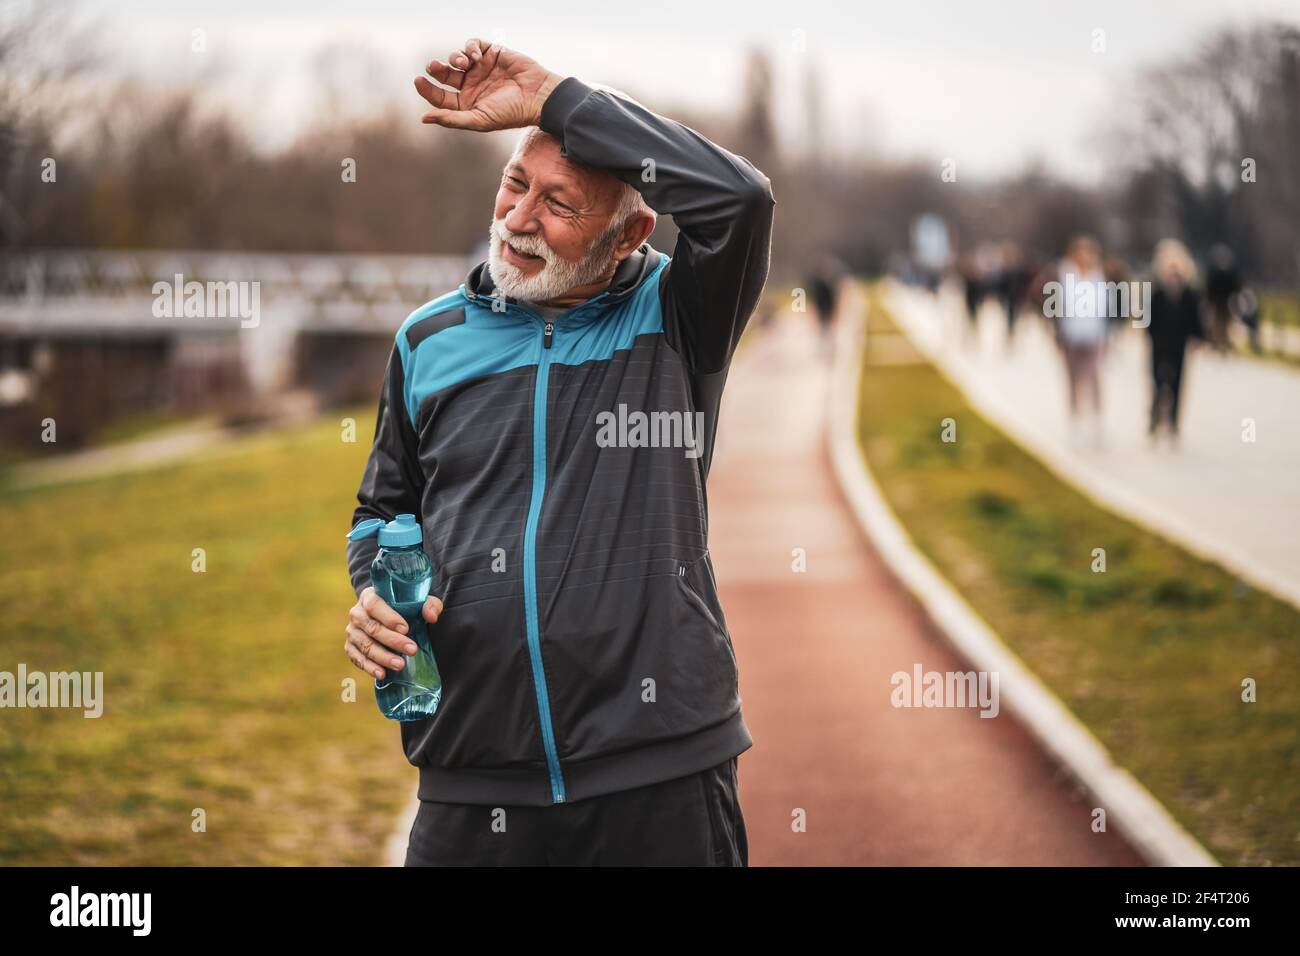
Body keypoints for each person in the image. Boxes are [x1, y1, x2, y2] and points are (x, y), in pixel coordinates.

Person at [343, 38, 773, 866]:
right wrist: (375, 595)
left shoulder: (678, 317)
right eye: (515, 183)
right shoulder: (427, 339)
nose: (517, 219)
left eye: (558, 204)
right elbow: (382, 512)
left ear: (628, 234)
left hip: (660, 778)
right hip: (470, 781)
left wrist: (555, 99)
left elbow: (740, 200)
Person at [1145, 238, 1204, 445]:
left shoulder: (1189, 293)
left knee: (1178, 384)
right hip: (1159, 345)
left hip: (1179, 345)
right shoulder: (1156, 291)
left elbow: (1195, 318)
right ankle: (1155, 418)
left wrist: (1198, 339)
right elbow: (1147, 318)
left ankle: (1173, 423)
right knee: (1158, 382)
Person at [1051, 235, 1109, 449]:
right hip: (1071, 335)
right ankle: (1075, 422)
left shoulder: (1099, 277)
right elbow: (1055, 305)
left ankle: (1097, 423)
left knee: (1095, 379)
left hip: (1093, 335)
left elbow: (1105, 308)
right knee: (1073, 381)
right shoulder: (1064, 276)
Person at [1205, 244, 1241, 353]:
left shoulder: (1226, 272)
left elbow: (1235, 285)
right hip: (1219, 301)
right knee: (1218, 323)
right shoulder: (1218, 272)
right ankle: (1219, 343)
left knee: (1223, 323)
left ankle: (1222, 343)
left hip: (1224, 301)